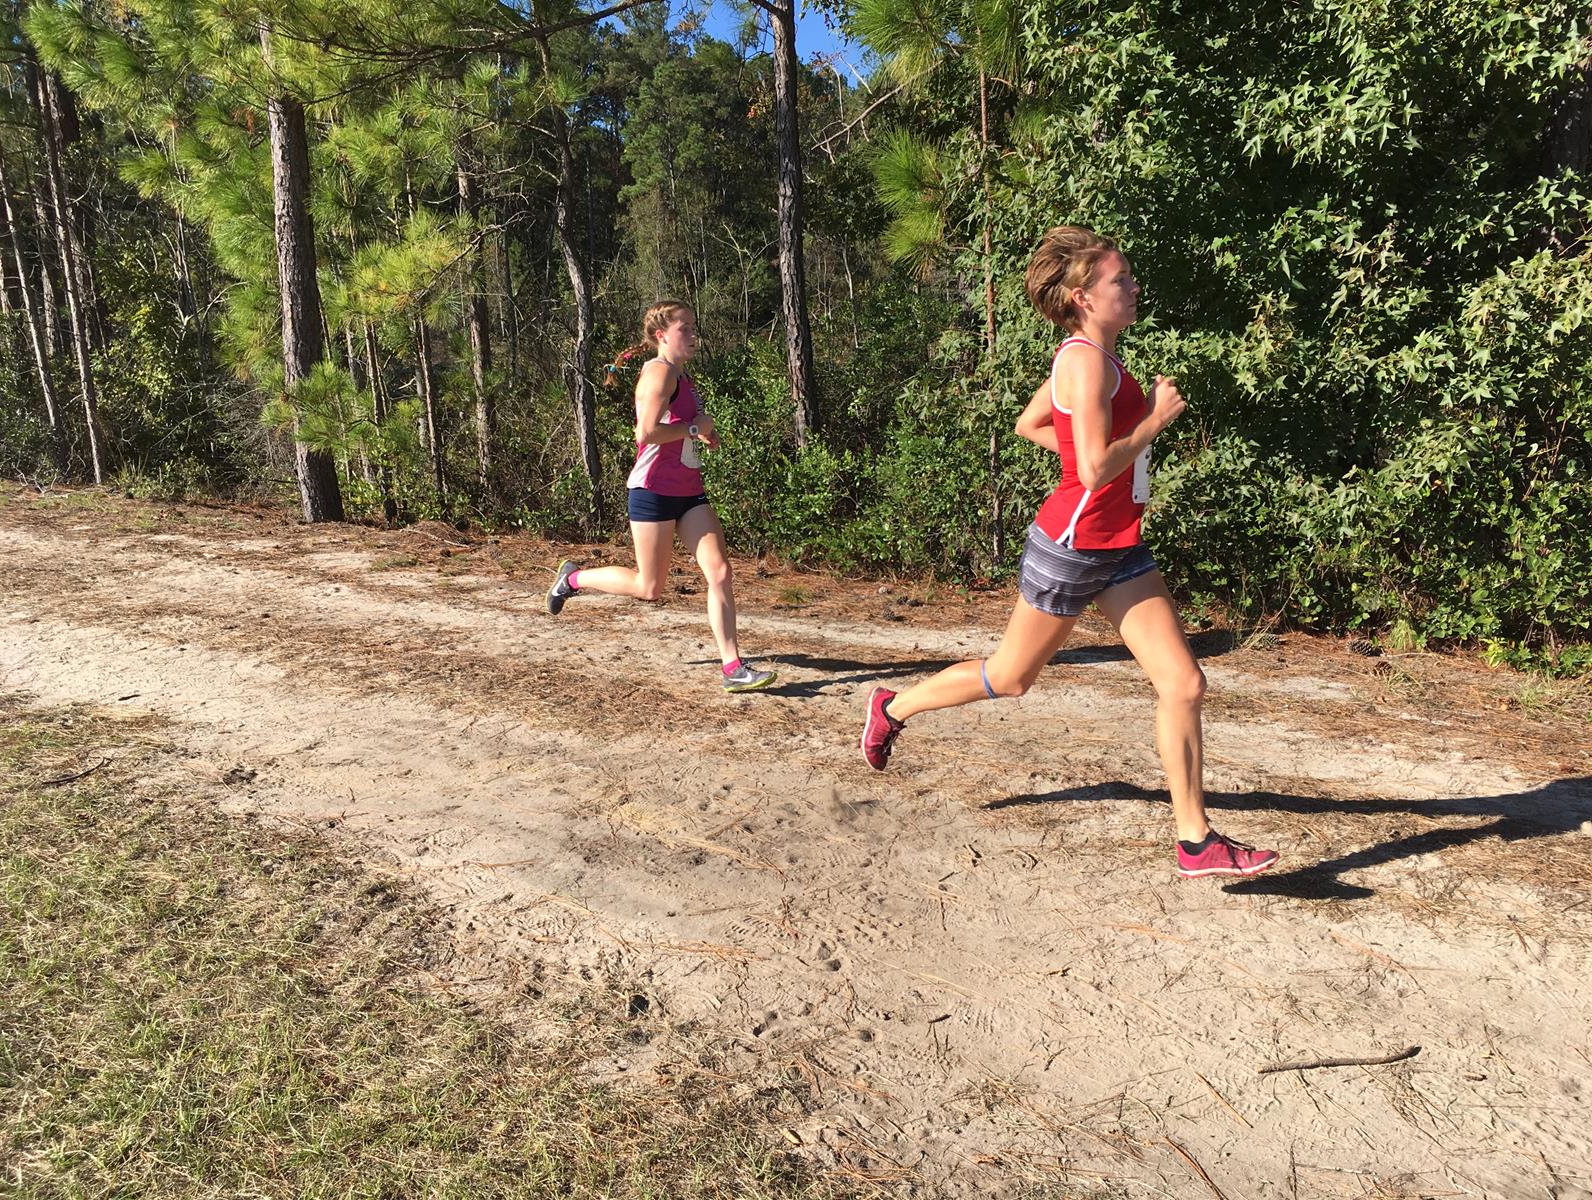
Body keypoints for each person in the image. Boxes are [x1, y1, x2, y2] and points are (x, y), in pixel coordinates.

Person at [859, 227, 1277, 879]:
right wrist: (1152, 424)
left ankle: (1195, 841)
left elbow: (1032, 425)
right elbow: (1094, 464)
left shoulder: (1094, 358)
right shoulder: (1082, 361)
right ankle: (892, 708)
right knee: (1011, 677)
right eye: (1121, 280)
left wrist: (1104, 463)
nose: (1133, 287)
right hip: (1074, 547)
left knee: (1184, 683)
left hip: (1120, 547)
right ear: (1084, 296)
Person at [546, 300, 777, 694]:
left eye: (692, 326)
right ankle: (574, 578)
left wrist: (703, 431)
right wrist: (692, 428)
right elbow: (646, 433)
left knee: (720, 572)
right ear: (661, 335)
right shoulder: (658, 374)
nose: (692, 334)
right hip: (652, 490)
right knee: (649, 588)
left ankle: (732, 666)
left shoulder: (681, 376)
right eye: (684, 328)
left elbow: (681, 426)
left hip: (688, 491)